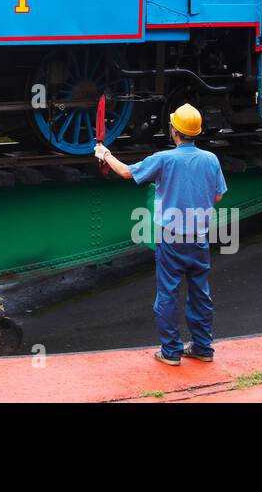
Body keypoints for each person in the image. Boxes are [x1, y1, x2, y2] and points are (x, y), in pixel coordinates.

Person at [95, 104, 227, 366]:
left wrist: (105, 153)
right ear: (196, 132)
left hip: (172, 238)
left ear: (173, 130)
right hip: (199, 237)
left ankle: (171, 352)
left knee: (167, 293)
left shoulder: (164, 159)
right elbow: (218, 195)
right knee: (200, 293)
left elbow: (126, 172)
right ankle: (203, 348)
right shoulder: (211, 160)